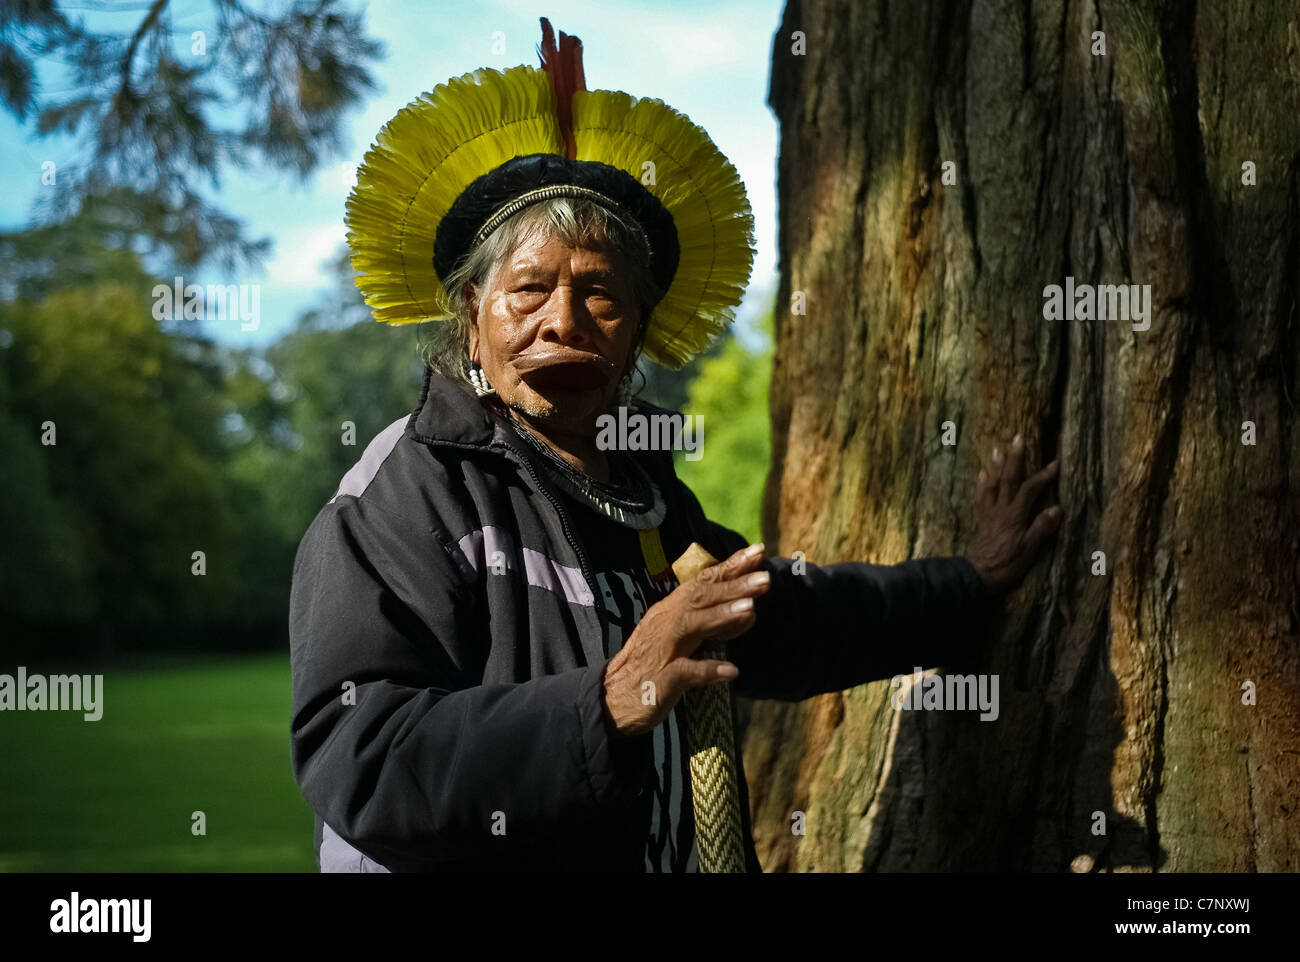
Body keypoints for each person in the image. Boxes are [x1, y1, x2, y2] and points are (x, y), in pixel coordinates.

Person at [288, 20, 1061, 873]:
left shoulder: (649, 504)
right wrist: (610, 699)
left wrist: (973, 581)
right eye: (529, 291)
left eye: (601, 296)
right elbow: (361, 757)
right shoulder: (406, 494)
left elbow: (802, 620)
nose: (564, 322)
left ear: (640, 331)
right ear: (471, 321)